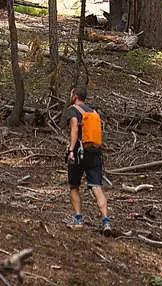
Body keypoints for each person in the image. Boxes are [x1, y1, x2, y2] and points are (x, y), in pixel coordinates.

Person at [63, 85, 110, 230]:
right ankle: (106, 221)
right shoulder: (93, 112)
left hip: (79, 153)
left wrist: (71, 150)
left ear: (75, 96)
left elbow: (74, 129)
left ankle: (78, 220)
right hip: (95, 153)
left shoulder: (73, 111)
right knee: (97, 186)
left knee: (74, 186)